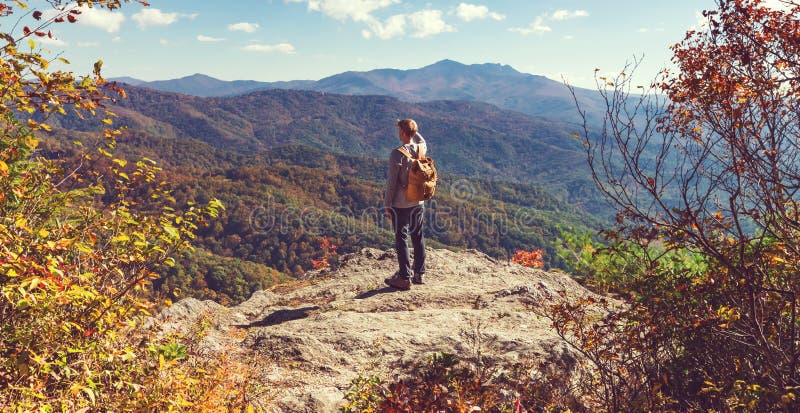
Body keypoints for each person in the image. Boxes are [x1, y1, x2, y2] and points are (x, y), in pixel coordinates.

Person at [384, 119, 427, 290]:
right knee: (418, 236)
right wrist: (412, 130)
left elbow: (392, 183)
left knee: (401, 239)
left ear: (402, 133)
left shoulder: (397, 154)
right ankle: (419, 274)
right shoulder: (421, 148)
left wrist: (387, 204)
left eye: (400, 130)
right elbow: (421, 139)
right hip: (418, 201)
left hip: (400, 204)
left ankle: (404, 277)